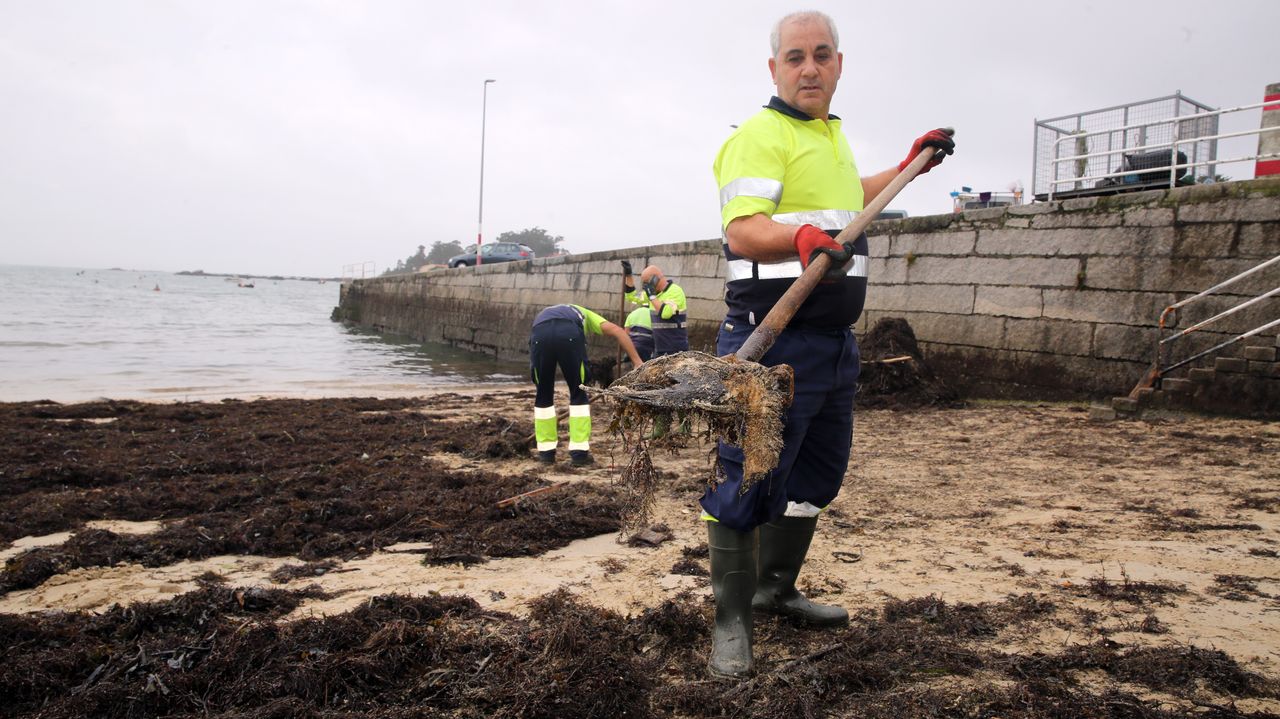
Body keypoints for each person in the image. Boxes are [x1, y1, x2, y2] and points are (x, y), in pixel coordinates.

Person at [702, 10, 955, 679]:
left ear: (839, 63)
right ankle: (731, 622)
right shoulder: (760, 135)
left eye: (821, 55)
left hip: (836, 345)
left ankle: (775, 587)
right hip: (772, 343)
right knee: (748, 477)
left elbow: (852, 200)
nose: (809, 67)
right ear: (774, 68)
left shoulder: (830, 136)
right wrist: (803, 238)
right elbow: (744, 231)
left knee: (817, 477)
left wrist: (905, 169)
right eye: (795, 57)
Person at [529, 304, 644, 467]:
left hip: (540, 333)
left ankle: (546, 453)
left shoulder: (546, 312)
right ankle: (579, 454)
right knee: (578, 391)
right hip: (568, 334)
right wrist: (637, 361)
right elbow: (618, 331)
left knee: (543, 394)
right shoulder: (586, 315)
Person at [622, 262, 689, 357]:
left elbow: (666, 313)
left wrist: (652, 297)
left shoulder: (675, 291)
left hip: (676, 349)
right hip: (658, 349)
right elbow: (632, 297)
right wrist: (628, 275)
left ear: (655, 279)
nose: (645, 285)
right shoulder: (653, 295)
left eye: (646, 282)